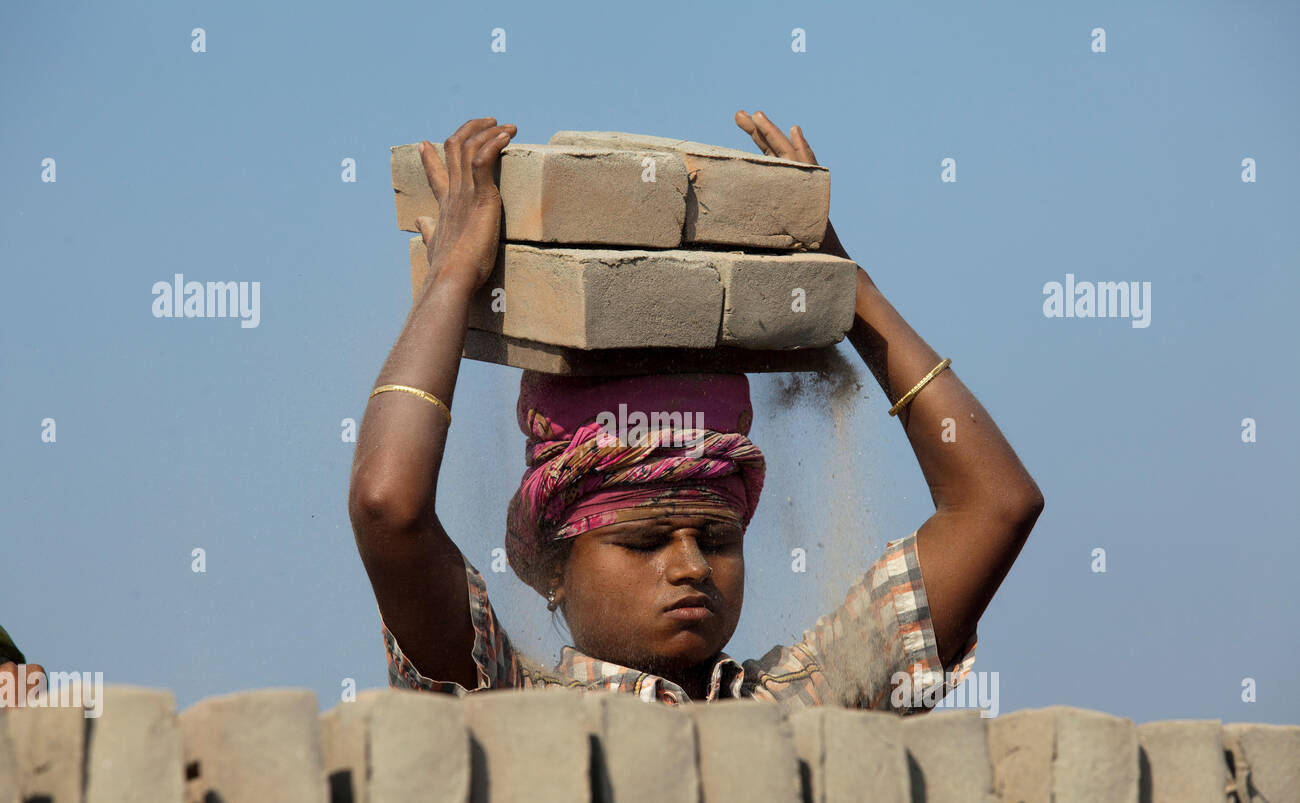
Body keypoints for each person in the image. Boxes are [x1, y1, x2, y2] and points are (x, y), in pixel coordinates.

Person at [347, 111, 1043, 713]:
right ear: (554, 567)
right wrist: (452, 278)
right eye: (645, 543)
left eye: (718, 540)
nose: (692, 568)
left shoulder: (806, 704)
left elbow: (998, 505)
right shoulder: (508, 708)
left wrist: (838, 280)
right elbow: (388, 507)